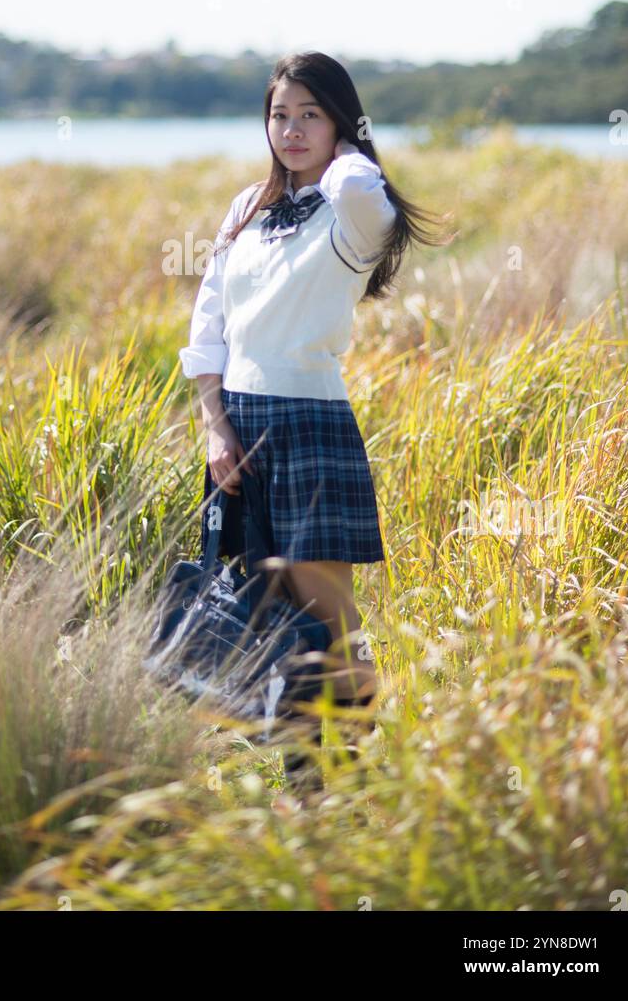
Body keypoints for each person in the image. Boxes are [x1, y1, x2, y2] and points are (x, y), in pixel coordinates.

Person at [178, 50, 445, 795]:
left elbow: (363, 188)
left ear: (341, 125)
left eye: (309, 115)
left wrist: (347, 151)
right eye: (278, 115)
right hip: (238, 422)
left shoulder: (354, 210)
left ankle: (351, 779)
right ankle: (306, 784)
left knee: (327, 617)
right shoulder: (244, 208)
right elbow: (209, 323)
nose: (290, 131)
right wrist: (212, 423)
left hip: (309, 421)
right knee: (267, 611)